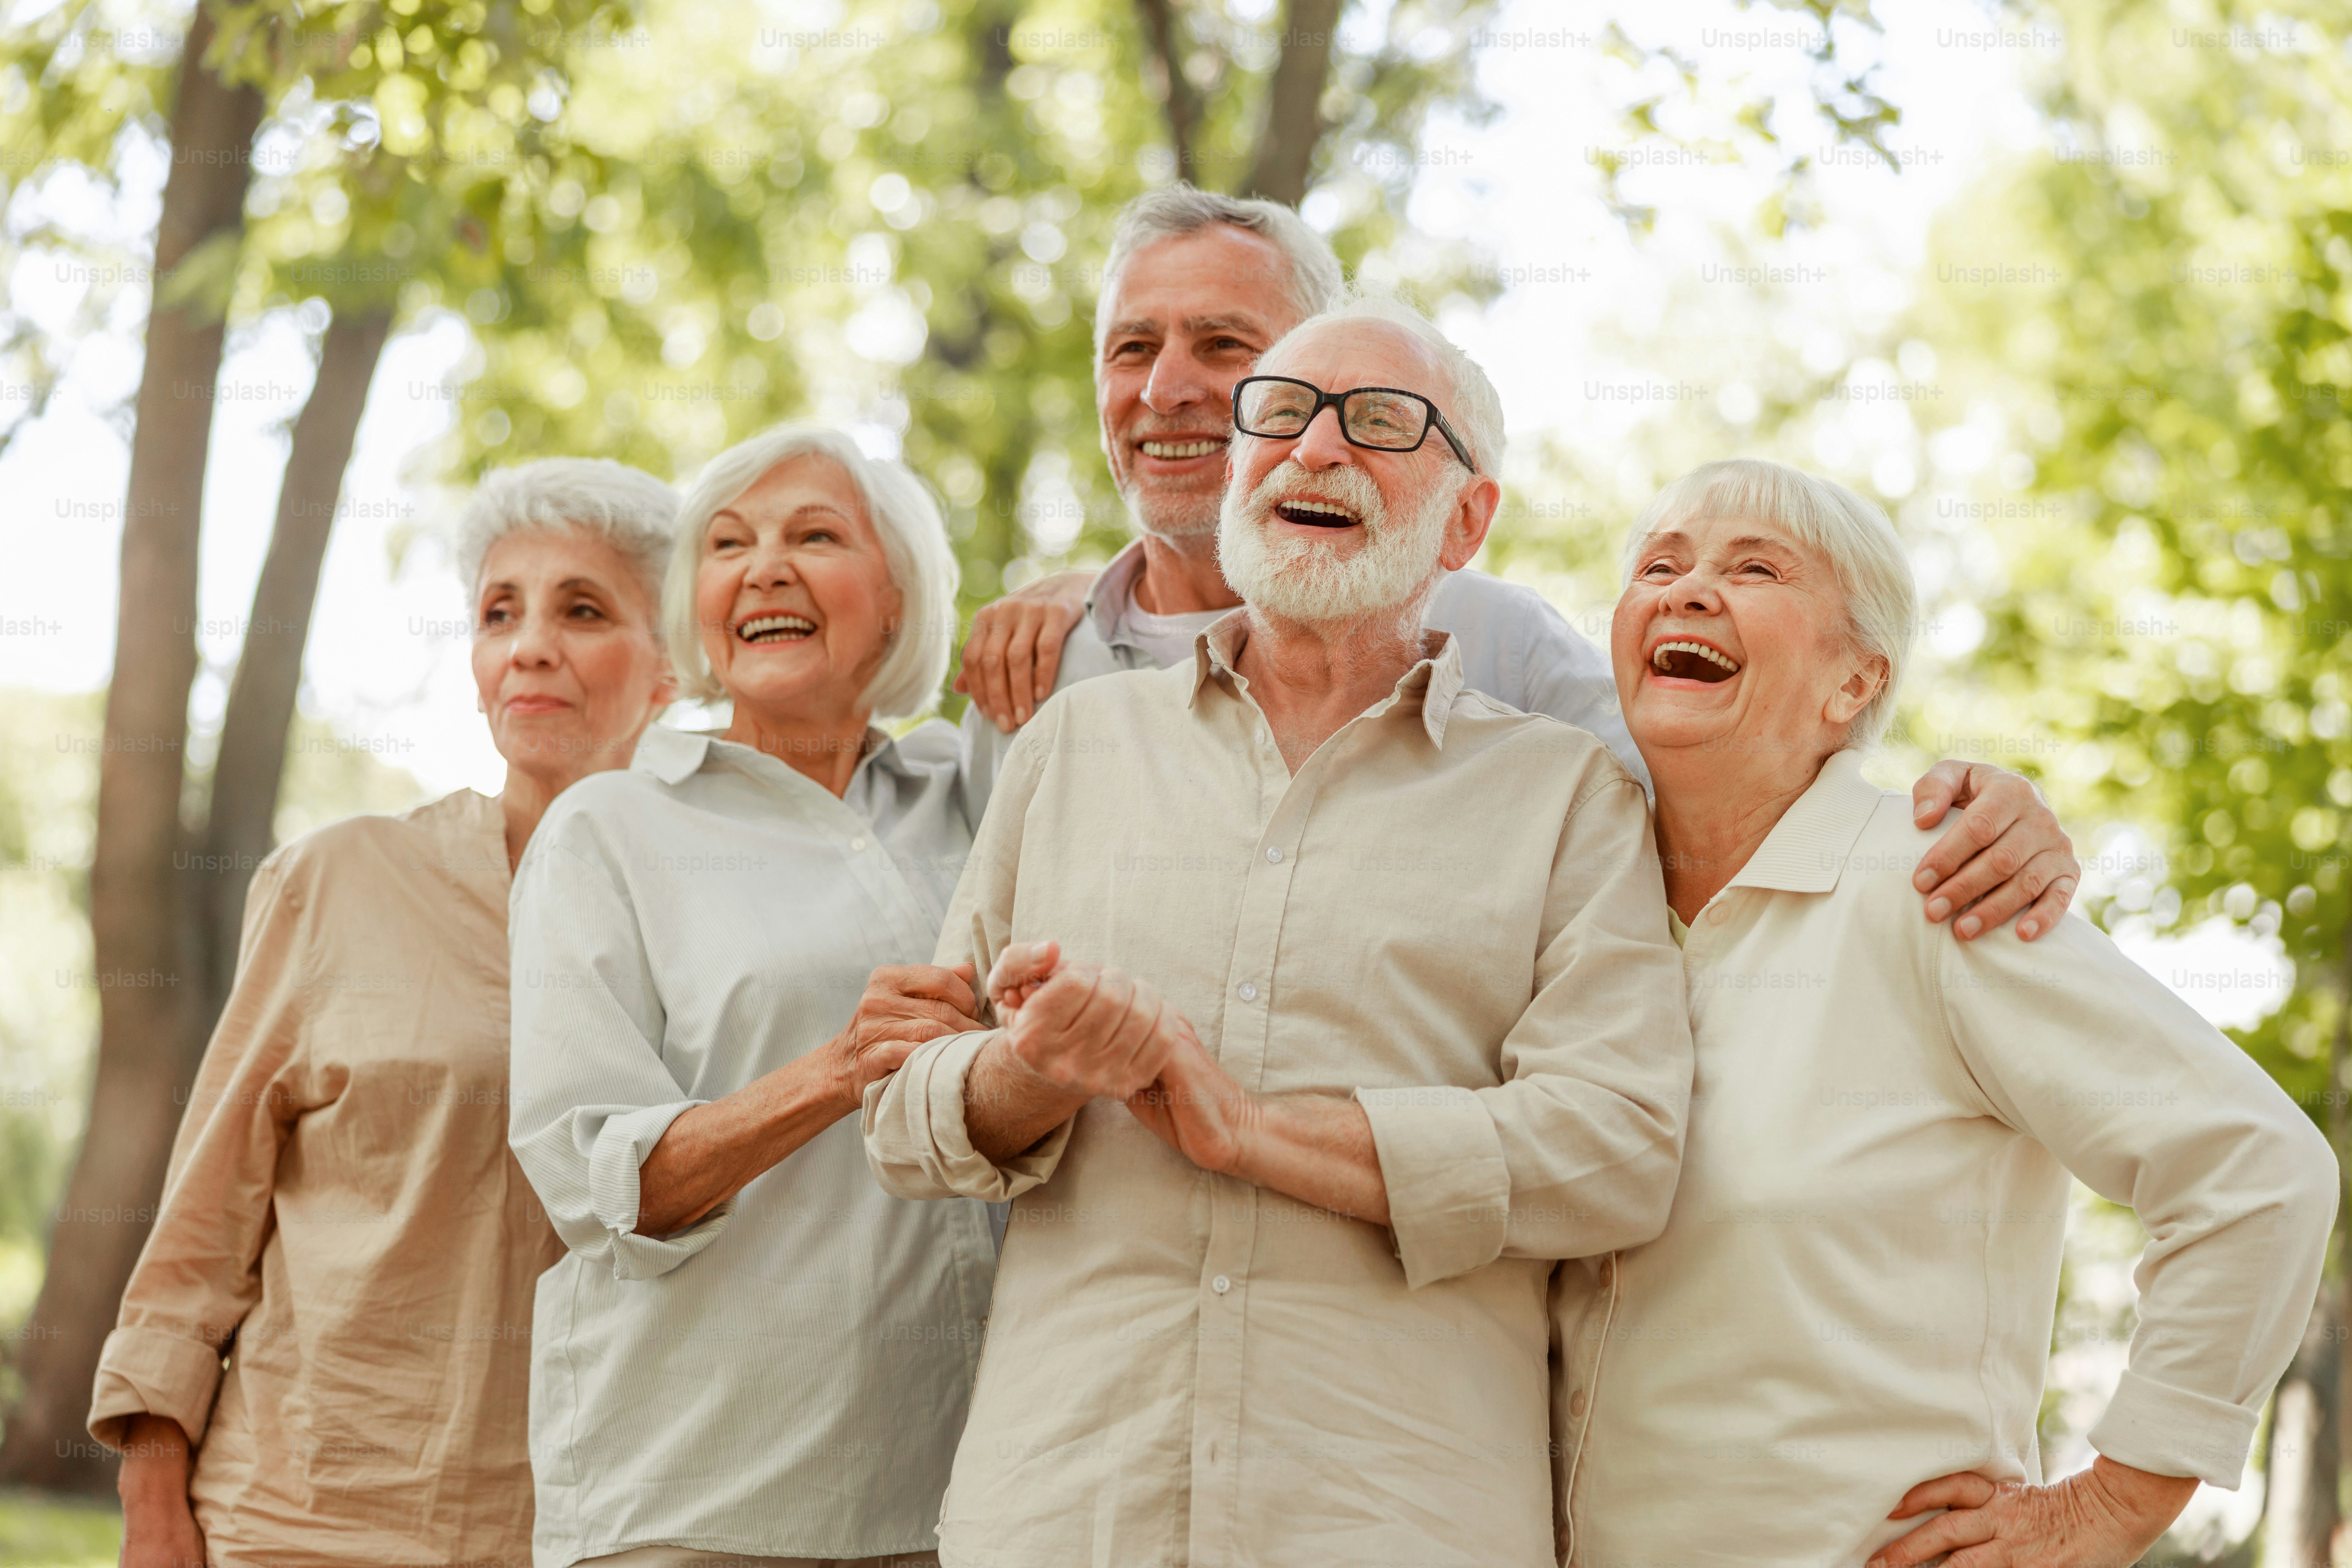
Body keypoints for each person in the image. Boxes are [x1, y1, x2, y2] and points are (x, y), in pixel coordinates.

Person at [864, 298, 1694, 1568]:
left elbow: (1618, 1148)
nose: (1316, 451)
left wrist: (1253, 1132)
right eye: (1285, 414)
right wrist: (1033, 1071)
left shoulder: (1566, 795)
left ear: (1467, 519)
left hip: (1396, 1524)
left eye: (1379, 424)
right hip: (1062, 1513)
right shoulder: (1073, 747)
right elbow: (905, 1115)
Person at [1552, 458, 2337, 1568]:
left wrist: (2111, 1504)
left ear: (1854, 684)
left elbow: (2258, 1174)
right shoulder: (1574, 906)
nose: (1686, 591)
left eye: (1755, 568)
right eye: (1658, 567)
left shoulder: (1935, 885)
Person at [955, 183, 2080, 942]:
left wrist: (1961, 819)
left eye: (1224, 346)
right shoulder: (1030, 676)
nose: (1166, 390)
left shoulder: (1501, 650)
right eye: (1133, 347)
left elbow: (1722, 817)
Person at [90, 459, 681, 1568]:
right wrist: (153, 1488)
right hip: (300, 1510)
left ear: (673, 666)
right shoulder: (341, 880)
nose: (530, 645)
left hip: (582, 1526)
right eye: (499, 613)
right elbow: (209, 1208)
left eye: (584, 610)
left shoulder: (718, 925)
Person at [506, 425, 989, 1568]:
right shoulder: (612, 828)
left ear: (900, 596)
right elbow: (595, 1183)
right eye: (727, 545)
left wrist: (1068, 600)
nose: (763, 567)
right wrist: (836, 1071)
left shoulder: (978, 799)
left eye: (814, 536)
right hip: (695, 1504)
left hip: (963, 1504)